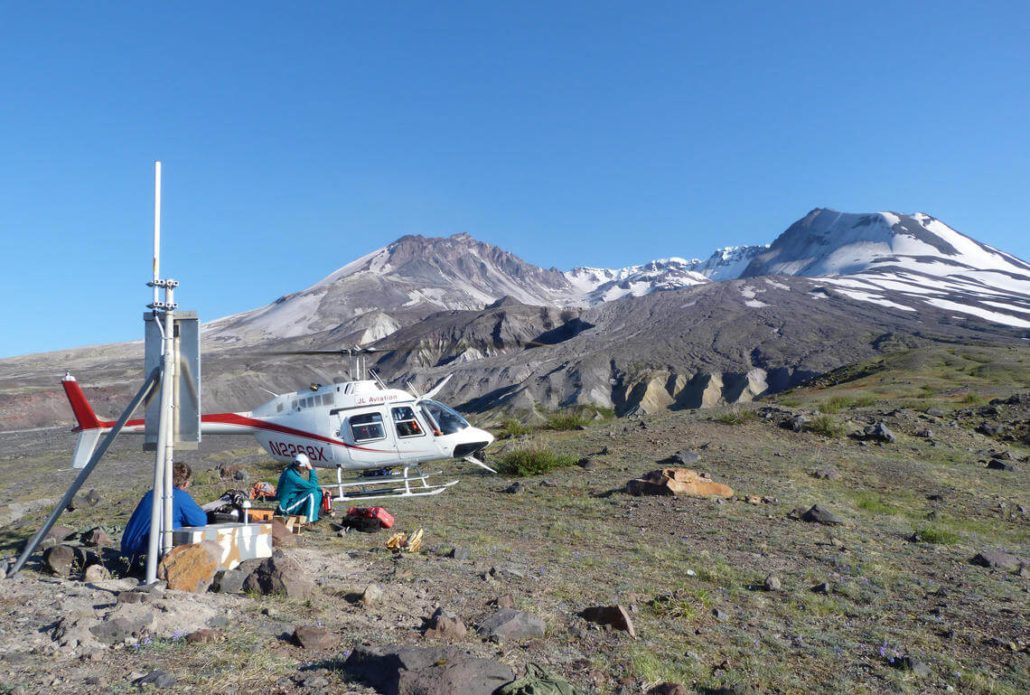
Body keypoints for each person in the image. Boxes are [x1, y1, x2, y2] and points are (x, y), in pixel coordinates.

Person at [121, 462, 207, 564]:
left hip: (127, 551)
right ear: (185, 483)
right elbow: (201, 520)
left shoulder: (151, 493)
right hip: (147, 556)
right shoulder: (179, 496)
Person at [276, 453, 324, 523]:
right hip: (285, 508)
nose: (305, 469)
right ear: (299, 466)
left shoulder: (290, 470)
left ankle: (314, 515)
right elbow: (312, 485)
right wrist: (311, 469)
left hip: (291, 501)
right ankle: (310, 521)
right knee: (312, 493)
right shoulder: (293, 477)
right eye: (304, 467)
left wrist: (321, 489)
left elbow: (307, 486)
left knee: (319, 492)